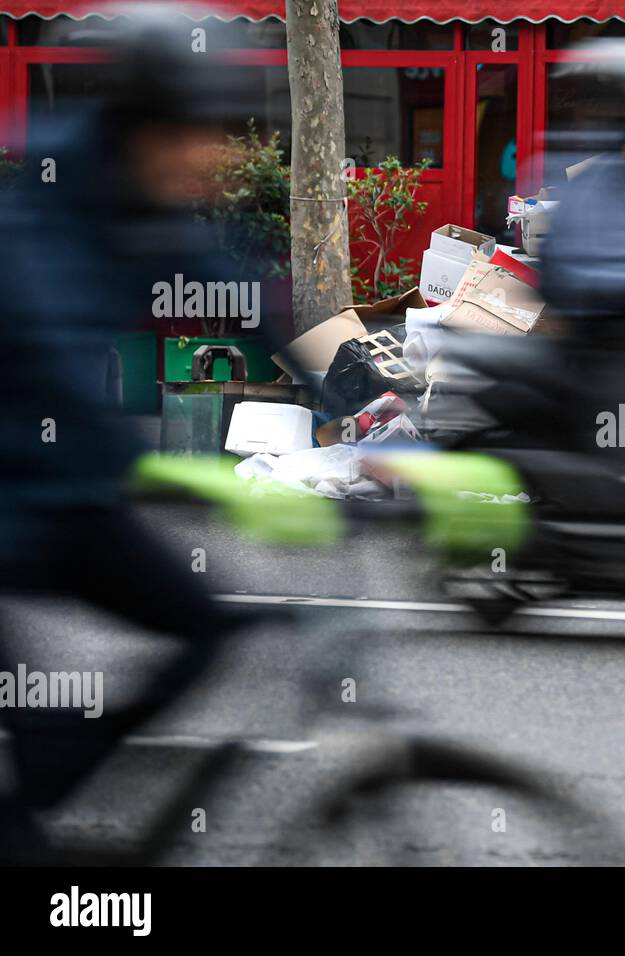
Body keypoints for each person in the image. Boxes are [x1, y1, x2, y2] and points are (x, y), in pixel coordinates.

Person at [0, 8, 276, 856]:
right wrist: (162, 467)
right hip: (21, 502)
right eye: (196, 137)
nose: (209, 159)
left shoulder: (140, 203)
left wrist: (378, 404)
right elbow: (51, 353)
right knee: (34, 715)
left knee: (210, 630)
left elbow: (249, 300)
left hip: (66, 501)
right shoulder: (38, 207)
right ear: (144, 130)